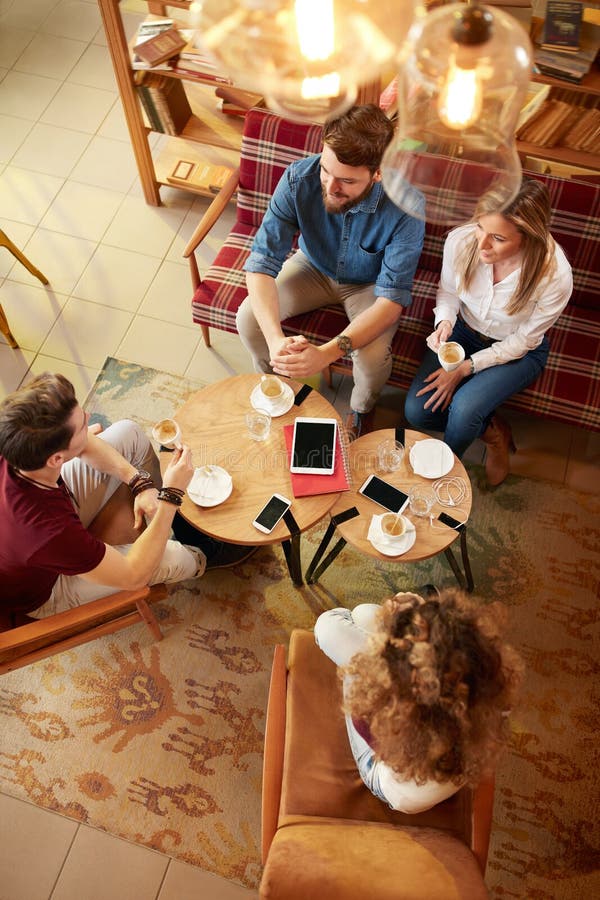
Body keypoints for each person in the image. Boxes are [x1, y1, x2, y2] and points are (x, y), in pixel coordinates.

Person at [0, 373, 255, 627]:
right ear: (56, 459)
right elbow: (133, 575)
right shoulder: (47, 531)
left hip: (40, 527)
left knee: (128, 433)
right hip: (48, 586)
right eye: (80, 426)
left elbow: (86, 443)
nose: (89, 418)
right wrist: (172, 494)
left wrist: (139, 483)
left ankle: (161, 514)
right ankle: (203, 556)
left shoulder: (14, 444)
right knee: (174, 558)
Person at [236, 104, 425, 438]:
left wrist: (324, 355)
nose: (330, 186)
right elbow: (261, 263)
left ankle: (362, 410)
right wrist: (276, 340)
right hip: (312, 267)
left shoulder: (407, 206)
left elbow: (390, 302)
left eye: (347, 180)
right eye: (326, 170)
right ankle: (277, 386)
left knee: (373, 355)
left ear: (377, 173)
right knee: (249, 316)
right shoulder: (298, 178)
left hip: (369, 285)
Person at [404, 179, 573, 485]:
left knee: (464, 409)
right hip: (463, 332)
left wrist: (465, 369)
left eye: (497, 238)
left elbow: (524, 340)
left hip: (517, 350)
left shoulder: (555, 275)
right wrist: (444, 322)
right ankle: (493, 432)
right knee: (418, 411)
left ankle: (443, 472)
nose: (481, 244)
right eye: (480, 226)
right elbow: (449, 293)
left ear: (529, 237)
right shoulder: (460, 240)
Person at [315, 589, 522, 814]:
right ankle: (372, 627)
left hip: (382, 773)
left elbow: (366, 709)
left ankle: (361, 626)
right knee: (365, 614)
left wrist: (406, 620)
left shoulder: (389, 720)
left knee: (330, 625)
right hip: (423, 780)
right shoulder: (487, 688)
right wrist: (420, 622)